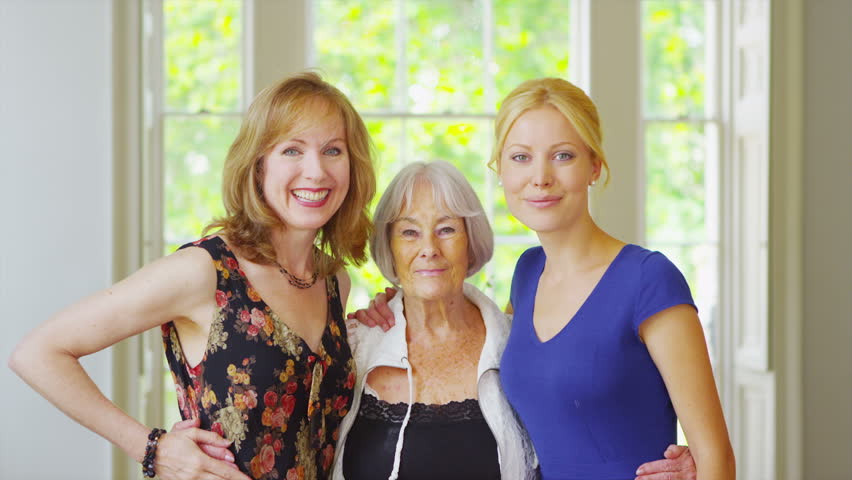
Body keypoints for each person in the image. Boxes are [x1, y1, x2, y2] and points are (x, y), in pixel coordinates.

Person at [352, 78, 733, 480]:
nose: (540, 177)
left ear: (595, 165)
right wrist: (395, 305)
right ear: (500, 170)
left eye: (563, 156)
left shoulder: (649, 281)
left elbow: (717, 458)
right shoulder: (528, 274)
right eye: (520, 158)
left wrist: (695, 470)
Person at [9, 72, 376, 480]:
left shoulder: (334, 281)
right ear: (258, 166)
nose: (316, 171)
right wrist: (151, 448)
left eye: (333, 150)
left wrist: (387, 315)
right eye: (292, 150)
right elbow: (38, 353)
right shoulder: (205, 271)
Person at [333, 161, 537, 480]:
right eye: (410, 232)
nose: (429, 249)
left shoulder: (519, 347)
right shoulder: (353, 345)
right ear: (390, 247)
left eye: (446, 229)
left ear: (470, 242)